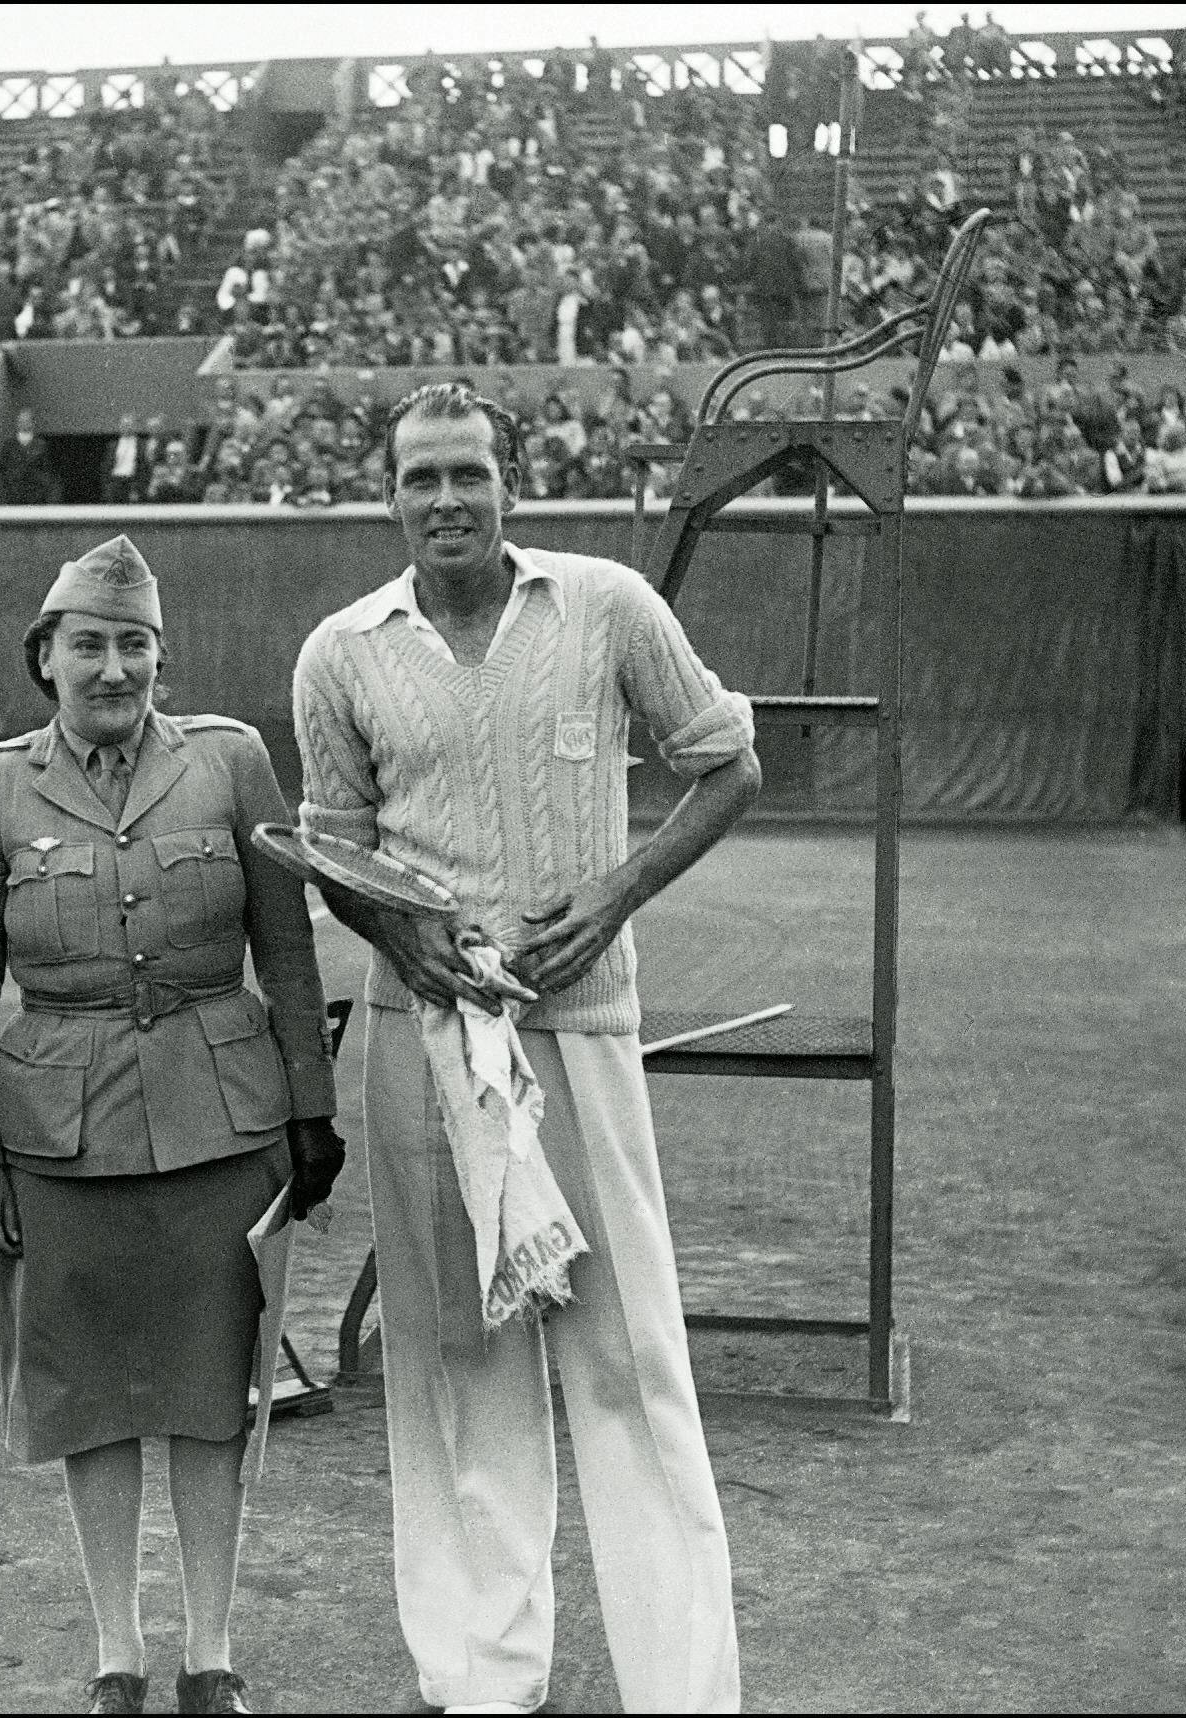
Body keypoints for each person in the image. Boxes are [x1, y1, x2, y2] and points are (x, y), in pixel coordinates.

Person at [291, 383, 760, 1714]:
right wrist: (401, 938)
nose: (446, 498)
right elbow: (332, 850)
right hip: (423, 1041)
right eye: (420, 476)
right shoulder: (340, 653)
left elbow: (727, 763)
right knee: (455, 1357)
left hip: (580, 1028)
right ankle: (481, 1673)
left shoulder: (607, 605)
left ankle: (681, 1687)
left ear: (511, 483)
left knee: (627, 1359)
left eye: (469, 472)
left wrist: (614, 892)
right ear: (389, 495)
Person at [0, 534, 345, 1716]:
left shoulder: (230, 760)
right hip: (58, 1139)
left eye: (134, 645)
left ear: (162, 657)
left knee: (215, 1393)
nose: (112, 668)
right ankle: (117, 1653)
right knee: (90, 1398)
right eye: (89, 646)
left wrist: (311, 1107)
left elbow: (287, 947)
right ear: (45, 658)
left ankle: (210, 1654)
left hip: (223, 1123)